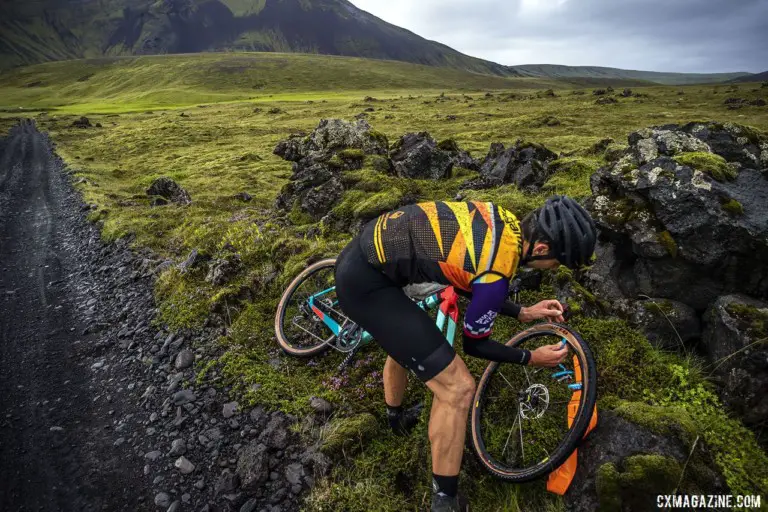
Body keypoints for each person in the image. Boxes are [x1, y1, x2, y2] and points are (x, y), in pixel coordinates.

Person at [333, 196, 597, 512]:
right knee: (458, 389)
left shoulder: (503, 221)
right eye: (558, 262)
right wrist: (531, 357)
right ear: (541, 249)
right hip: (367, 286)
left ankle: (396, 419)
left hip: (368, 251)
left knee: (407, 341)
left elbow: (469, 277)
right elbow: (476, 345)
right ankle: (444, 501)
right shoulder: (496, 273)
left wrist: (522, 312)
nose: (554, 268)